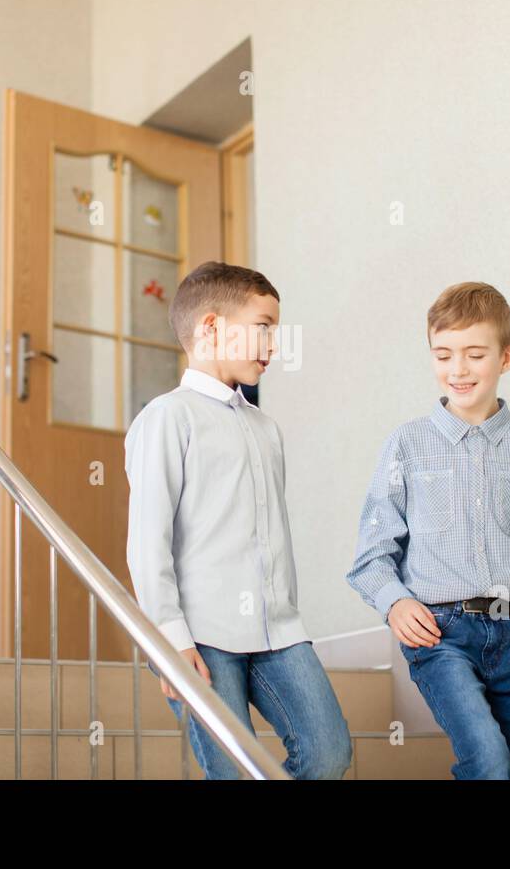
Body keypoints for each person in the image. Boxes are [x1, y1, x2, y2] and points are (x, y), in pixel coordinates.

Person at [124, 260, 351, 779]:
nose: (273, 347)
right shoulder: (166, 418)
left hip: (280, 632)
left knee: (329, 752)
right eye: (263, 328)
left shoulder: (266, 429)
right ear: (210, 328)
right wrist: (171, 639)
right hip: (202, 633)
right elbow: (147, 543)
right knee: (236, 769)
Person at [346, 281, 510, 779]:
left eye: (474, 354)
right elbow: (372, 555)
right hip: (440, 635)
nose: (458, 369)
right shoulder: (407, 444)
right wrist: (396, 602)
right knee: (487, 761)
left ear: (506, 357)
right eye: (444, 354)